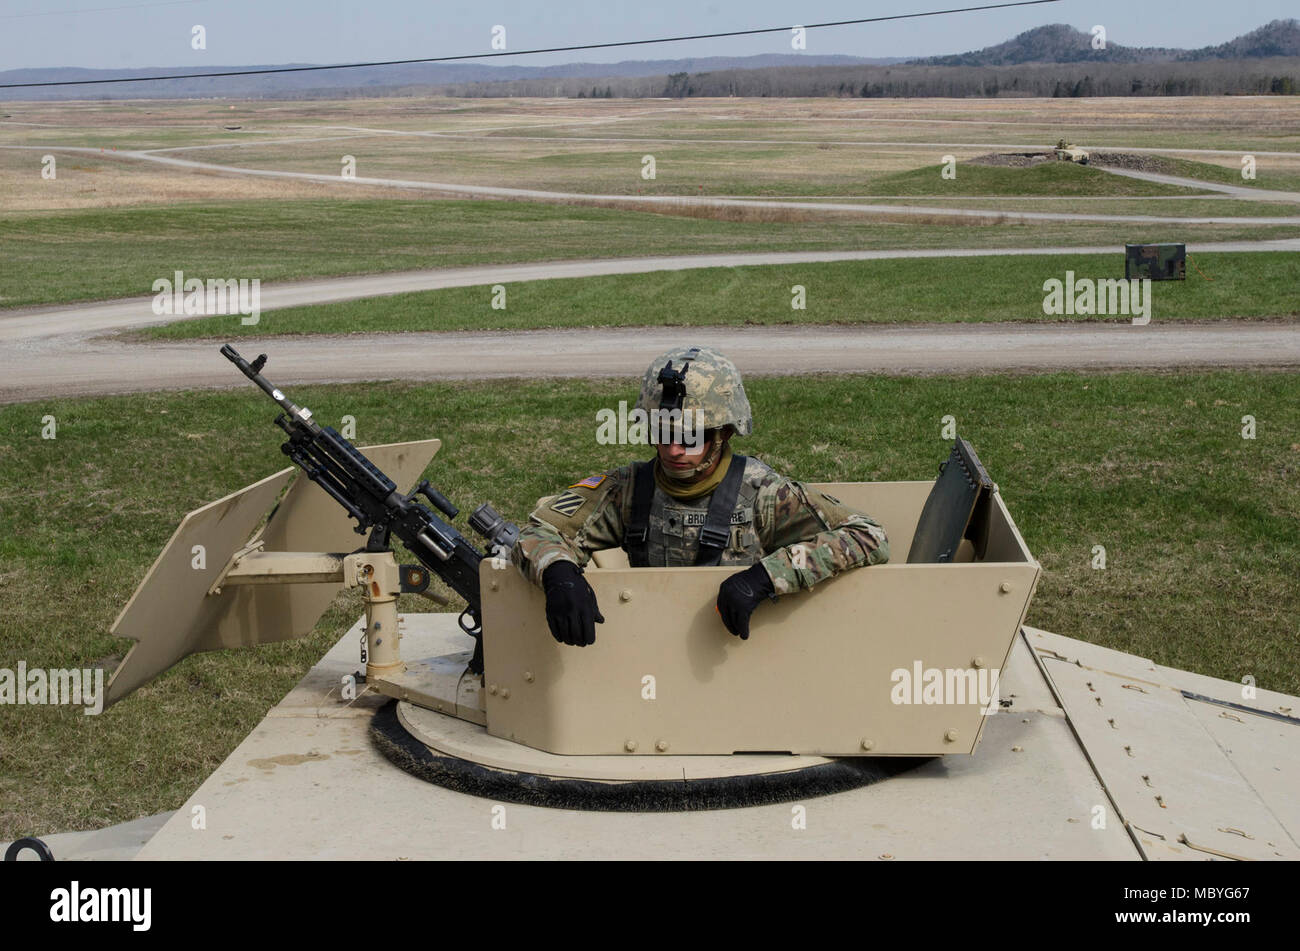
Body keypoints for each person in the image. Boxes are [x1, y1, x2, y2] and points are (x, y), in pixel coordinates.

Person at [510, 346, 889, 646]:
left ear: (724, 433)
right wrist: (558, 574)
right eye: (663, 431)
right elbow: (538, 532)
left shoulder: (763, 494)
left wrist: (765, 578)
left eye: (692, 435)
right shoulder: (629, 490)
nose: (674, 450)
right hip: (651, 649)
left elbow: (868, 536)